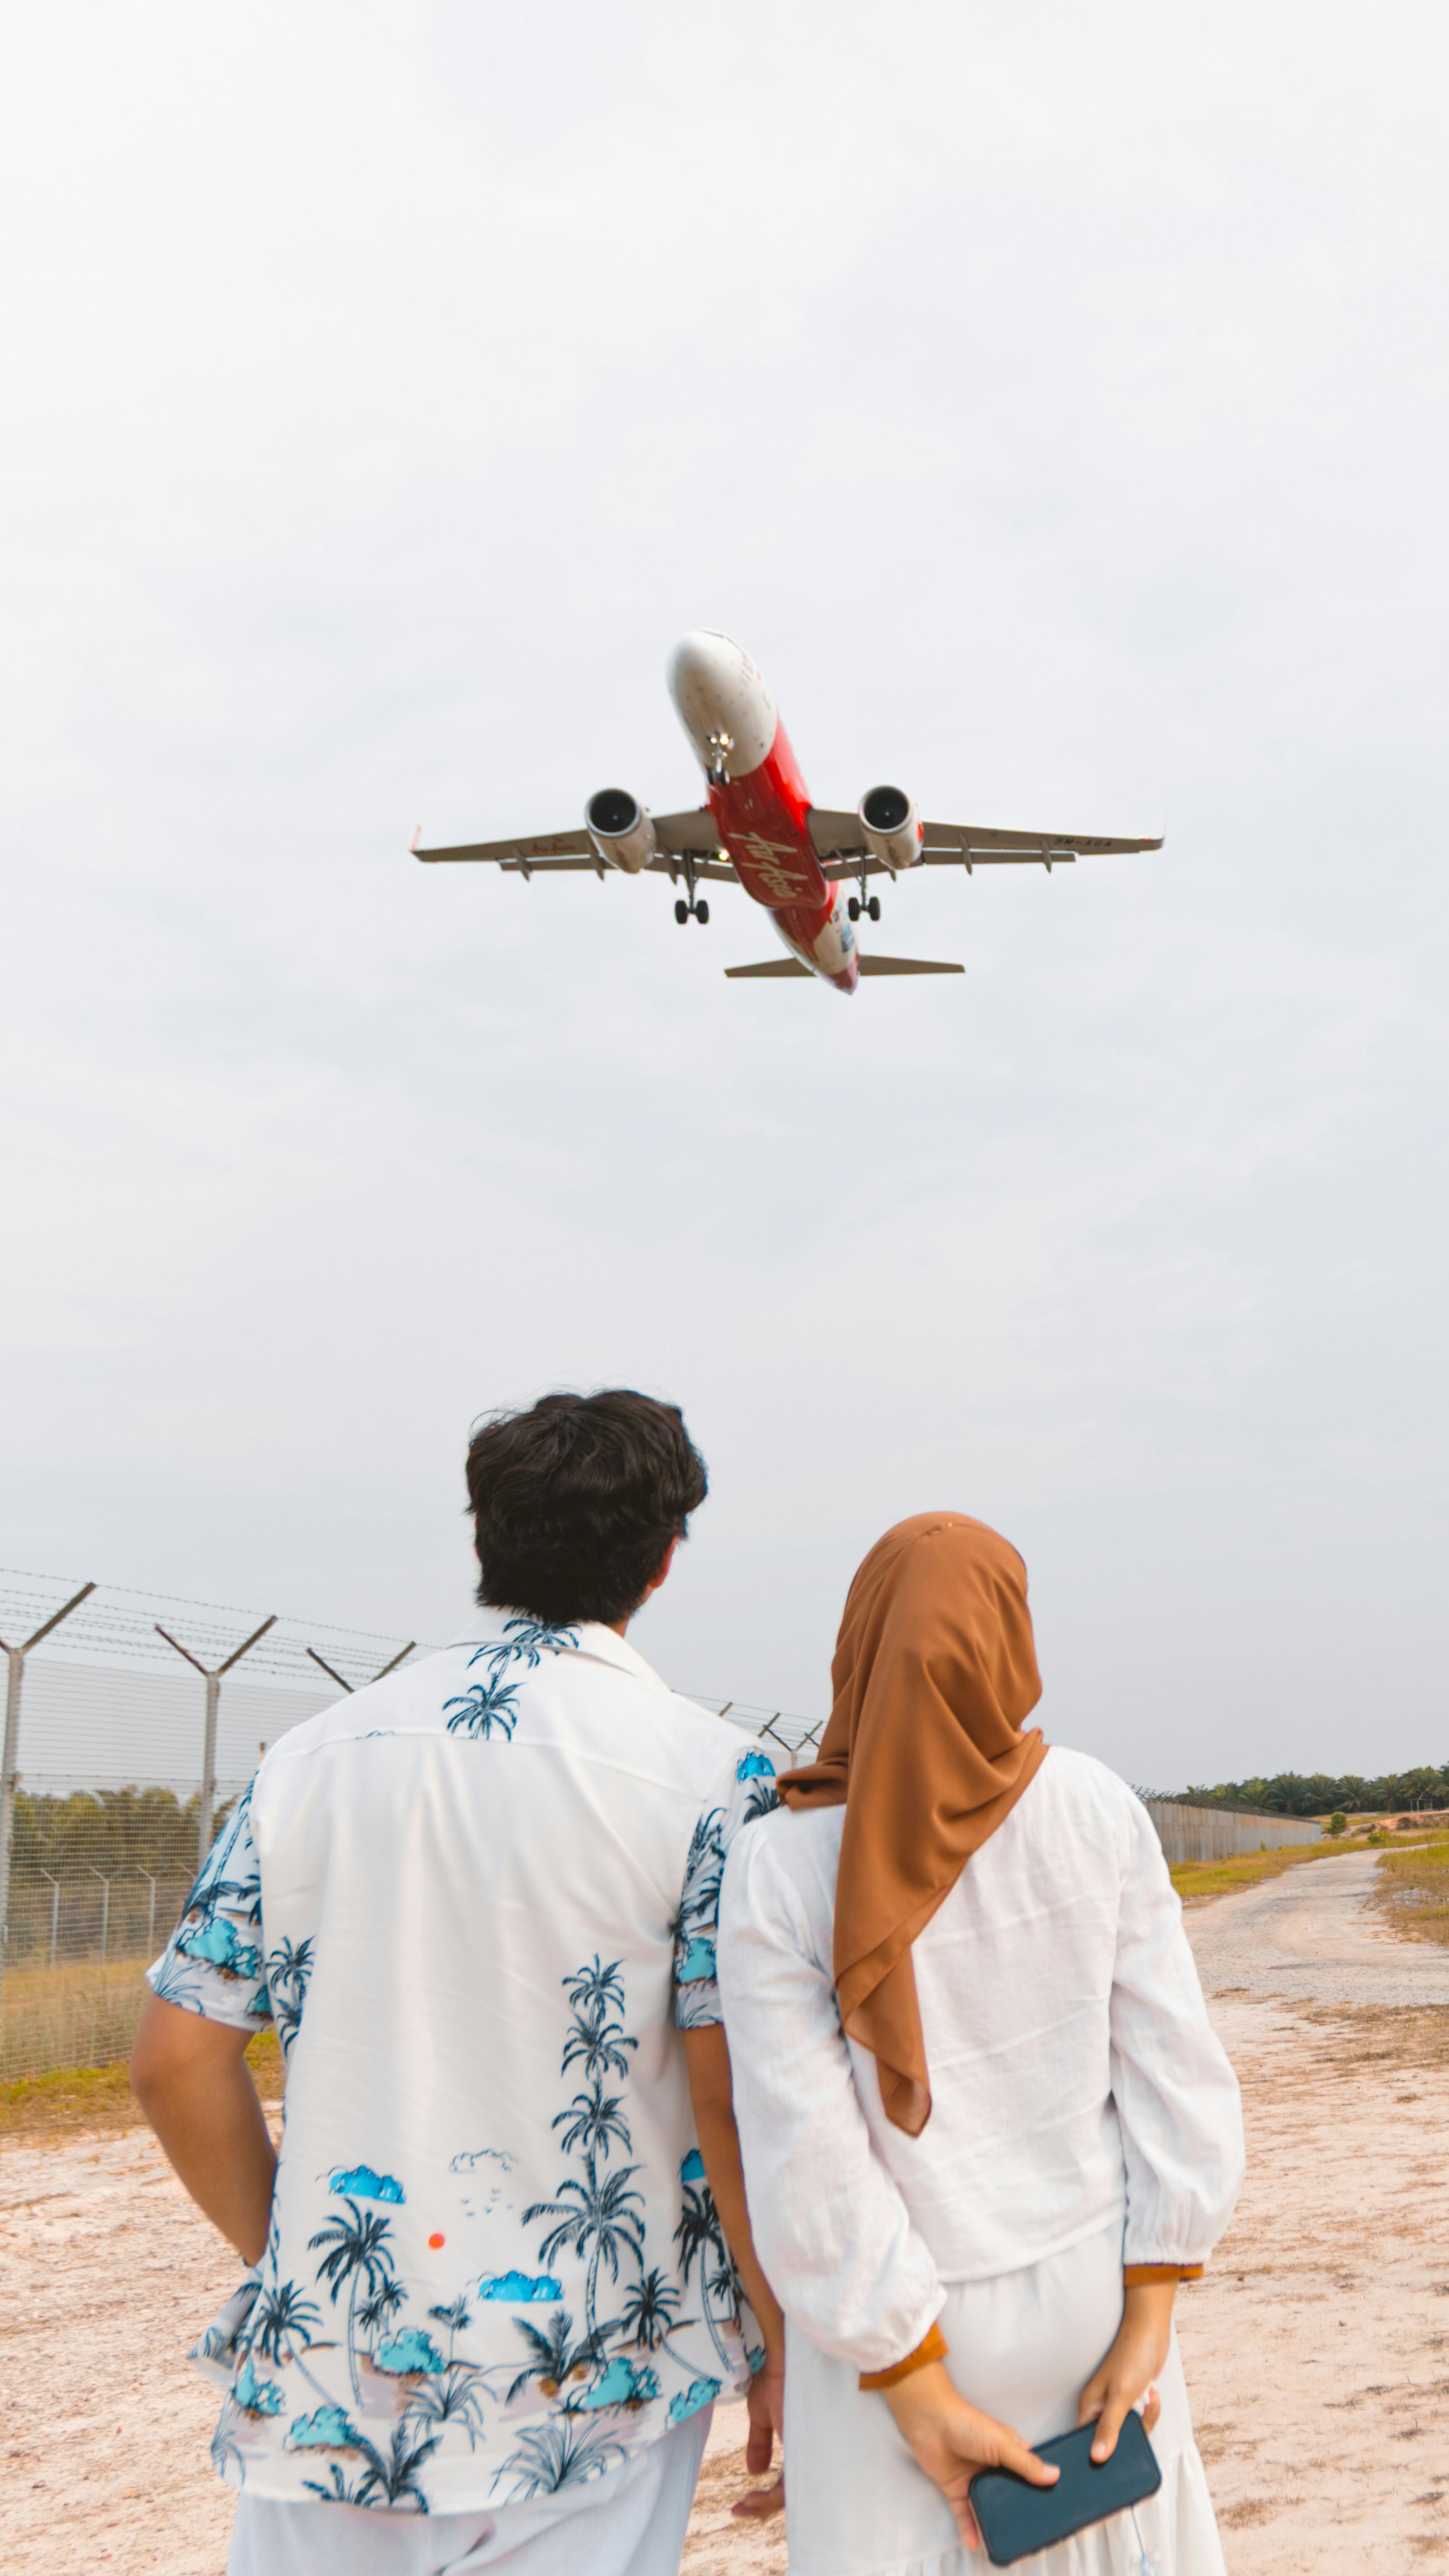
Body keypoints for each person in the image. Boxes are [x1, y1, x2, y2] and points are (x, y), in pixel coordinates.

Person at [131, 1390, 785, 2576]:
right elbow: (731, 2085)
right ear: (664, 1559)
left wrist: (299, 2265)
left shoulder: (312, 1759)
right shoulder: (715, 1778)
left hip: (334, 2372)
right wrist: (774, 2326)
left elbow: (175, 2060)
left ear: (486, 1540)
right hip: (602, 2373)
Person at [717, 1511, 1245, 2575]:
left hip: (895, 2340)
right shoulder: (1093, 1807)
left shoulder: (777, 1864)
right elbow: (1176, 2080)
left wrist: (913, 2386)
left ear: (854, 1648)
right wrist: (1149, 2319)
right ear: (1012, 1643)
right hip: (1097, 2303)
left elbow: (806, 2162)